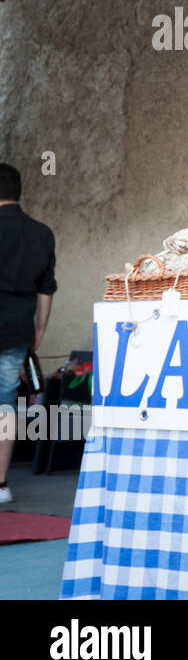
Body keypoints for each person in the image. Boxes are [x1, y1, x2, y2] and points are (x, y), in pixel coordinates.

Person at [0, 163, 57, 505]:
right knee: (4, 403)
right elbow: (46, 289)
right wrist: (38, 330)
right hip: (15, 328)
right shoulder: (41, 233)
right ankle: (1, 485)